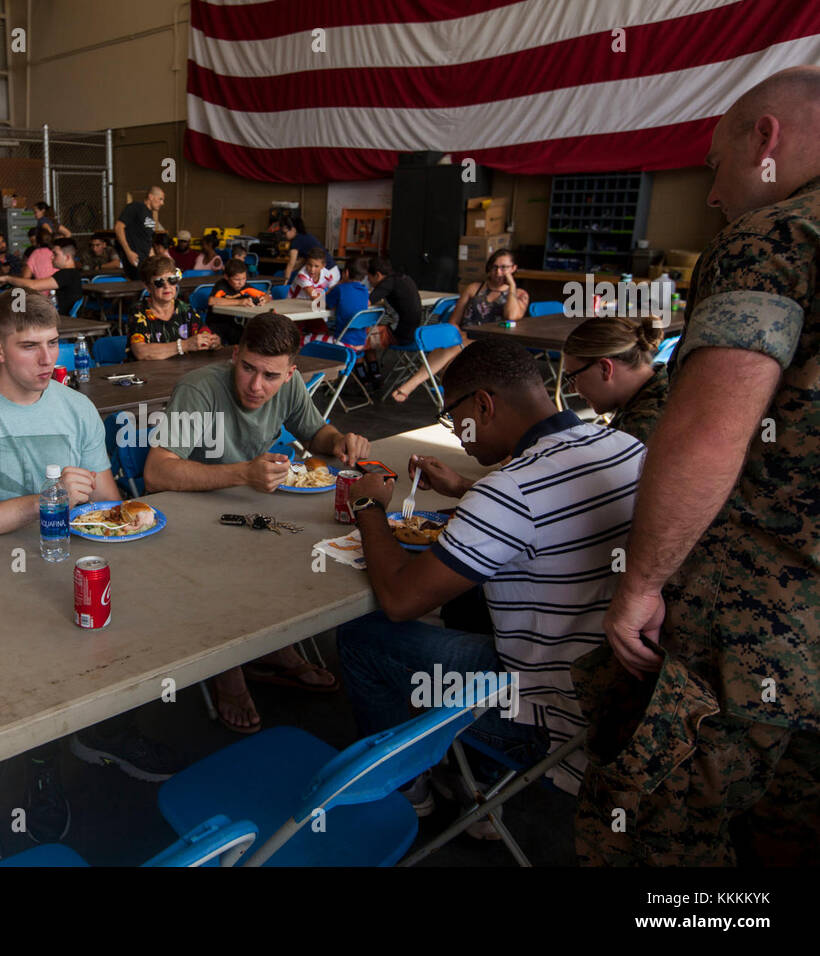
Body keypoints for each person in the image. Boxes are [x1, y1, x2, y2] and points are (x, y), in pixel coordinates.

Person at [580, 66, 820, 867]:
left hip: (752, 623)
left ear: (765, 139)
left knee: (663, 833)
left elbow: (712, 430)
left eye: (715, 165)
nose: (714, 196)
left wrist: (641, 582)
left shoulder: (778, 237)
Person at [337, 338, 645, 820]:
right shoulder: (622, 444)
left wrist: (368, 507)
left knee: (363, 638)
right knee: (468, 604)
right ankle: (475, 777)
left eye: (451, 417)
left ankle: (408, 789)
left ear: (482, 403)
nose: (456, 435)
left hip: (552, 720)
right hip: (621, 697)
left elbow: (400, 599)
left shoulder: (511, 489)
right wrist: (466, 489)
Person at [0, 290, 181, 842]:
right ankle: (38, 764)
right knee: (32, 656)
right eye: (29, 347)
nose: (47, 360)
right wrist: (45, 499)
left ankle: (107, 729)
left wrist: (116, 512)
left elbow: (108, 502)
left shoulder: (77, 407)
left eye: (53, 343)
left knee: (140, 615)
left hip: (70, 559)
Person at [143, 312, 372, 732]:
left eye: (270, 375)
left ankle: (272, 645)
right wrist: (242, 473)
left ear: (290, 374)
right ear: (235, 355)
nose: (255, 385)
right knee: (232, 562)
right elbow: (157, 473)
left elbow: (315, 433)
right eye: (248, 368)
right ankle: (227, 670)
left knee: (306, 546)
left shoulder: (290, 387)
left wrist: (338, 440)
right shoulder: (199, 389)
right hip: (191, 517)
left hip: (248, 507)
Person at [389, 249, 527, 403]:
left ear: (513, 268)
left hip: (493, 343)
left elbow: (512, 316)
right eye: (495, 267)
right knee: (452, 351)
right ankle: (457, 405)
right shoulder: (474, 288)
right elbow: (454, 320)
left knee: (455, 351)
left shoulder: (519, 294)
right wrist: (456, 334)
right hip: (462, 338)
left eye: (504, 268)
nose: (498, 272)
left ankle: (412, 384)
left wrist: (512, 286)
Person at [561, 317, 668, 444]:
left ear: (605, 369)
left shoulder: (643, 425)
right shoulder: (666, 384)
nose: (571, 389)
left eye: (573, 377)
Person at [302, 257, 384, 386]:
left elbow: (323, 303)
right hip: (361, 342)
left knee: (304, 340)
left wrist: (338, 284)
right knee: (326, 334)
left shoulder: (340, 289)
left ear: (345, 273)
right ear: (363, 277)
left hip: (342, 342)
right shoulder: (364, 291)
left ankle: (306, 379)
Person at [128, 255, 221, 360]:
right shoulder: (139, 312)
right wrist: (184, 345)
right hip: (148, 374)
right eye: (159, 282)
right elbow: (141, 352)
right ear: (148, 287)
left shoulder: (184, 309)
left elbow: (204, 333)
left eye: (172, 280)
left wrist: (213, 341)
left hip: (180, 372)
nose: (167, 286)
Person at [0, 237, 84, 316]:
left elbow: (32, 285)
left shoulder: (66, 274)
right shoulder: (71, 273)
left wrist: (7, 278)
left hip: (60, 322)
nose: (51, 257)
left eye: (55, 254)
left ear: (67, 257)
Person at [209, 259, 271, 345]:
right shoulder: (221, 285)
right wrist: (240, 302)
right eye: (237, 279)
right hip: (216, 323)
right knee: (214, 344)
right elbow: (212, 301)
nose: (241, 283)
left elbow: (267, 296)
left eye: (244, 278)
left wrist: (264, 299)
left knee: (247, 341)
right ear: (226, 277)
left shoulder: (245, 286)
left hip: (232, 324)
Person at [367, 255, 423, 346]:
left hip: (400, 334)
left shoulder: (386, 284)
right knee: (366, 335)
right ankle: (372, 361)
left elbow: (365, 303)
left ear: (377, 275)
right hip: (415, 333)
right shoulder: (403, 278)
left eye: (369, 278)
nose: (369, 282)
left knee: (360, 336)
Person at [115, 186, 164, 279]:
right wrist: (128, 252)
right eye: (160, 199)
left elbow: (147, 239)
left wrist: (153, 261)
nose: (162, 203)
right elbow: (118, 227)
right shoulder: (135, 207)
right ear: (151, 197)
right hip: (134, 259)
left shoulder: (150, 214)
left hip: (145, 261)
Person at [279, 217, 321, 285]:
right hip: (331, 270)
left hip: (324, 272)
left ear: (293, 229)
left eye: (284, 233)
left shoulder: (296, 241)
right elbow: (302, 261)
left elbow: (291, 264)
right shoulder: (304, 236)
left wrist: (284, 283)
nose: (283, 236)